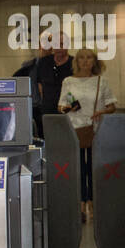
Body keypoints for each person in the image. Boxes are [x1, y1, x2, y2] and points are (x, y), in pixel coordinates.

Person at [58, 48, 116, 223]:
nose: (85, 61)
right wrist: (69, 108)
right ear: (77, 61)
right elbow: (61, 106)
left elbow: (112, 105)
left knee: (93, 168)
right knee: (79, 169)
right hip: (74, 130)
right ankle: (81, 204)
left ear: (95, 61)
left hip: (95, 130)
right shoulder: (68, 82)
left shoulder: (101, 81)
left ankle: (92, 203)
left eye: (89, 58)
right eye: (81, 58)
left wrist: (101, 111)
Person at [31, 31, 73, 138]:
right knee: (49, 142)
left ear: (68, 45)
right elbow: (40, 85)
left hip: (68, 112)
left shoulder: (74, 63)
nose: (58, 47)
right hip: (47, 112)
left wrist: (69, 107)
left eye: (61, 44)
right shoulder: (43, 62)